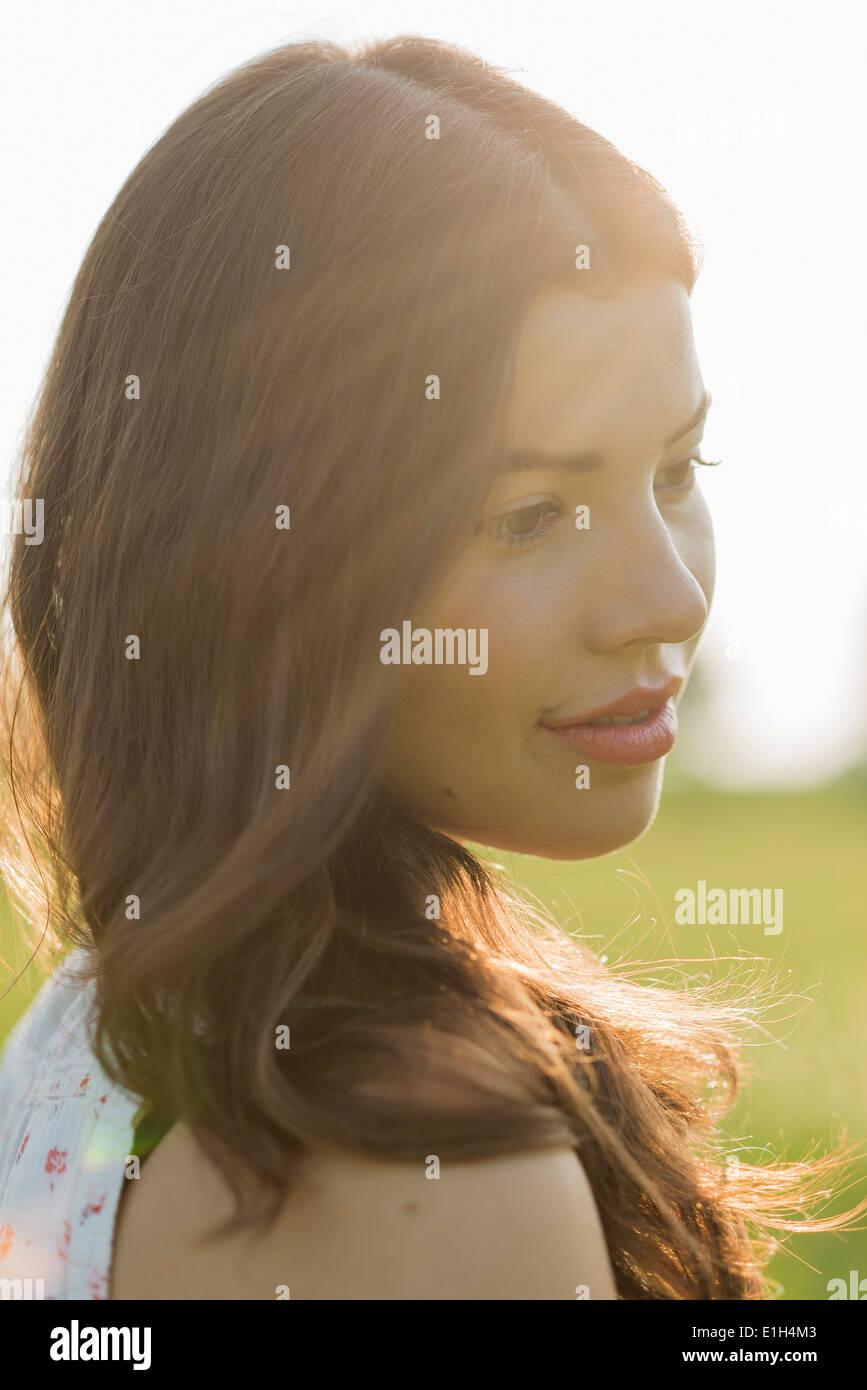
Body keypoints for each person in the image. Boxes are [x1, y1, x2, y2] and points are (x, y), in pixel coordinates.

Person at [0, 35, 856, 1301]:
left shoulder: (116, 1022)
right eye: (528, 515)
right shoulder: (420, 1173)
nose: (667, 600)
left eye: (677, 472)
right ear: (269, 562)